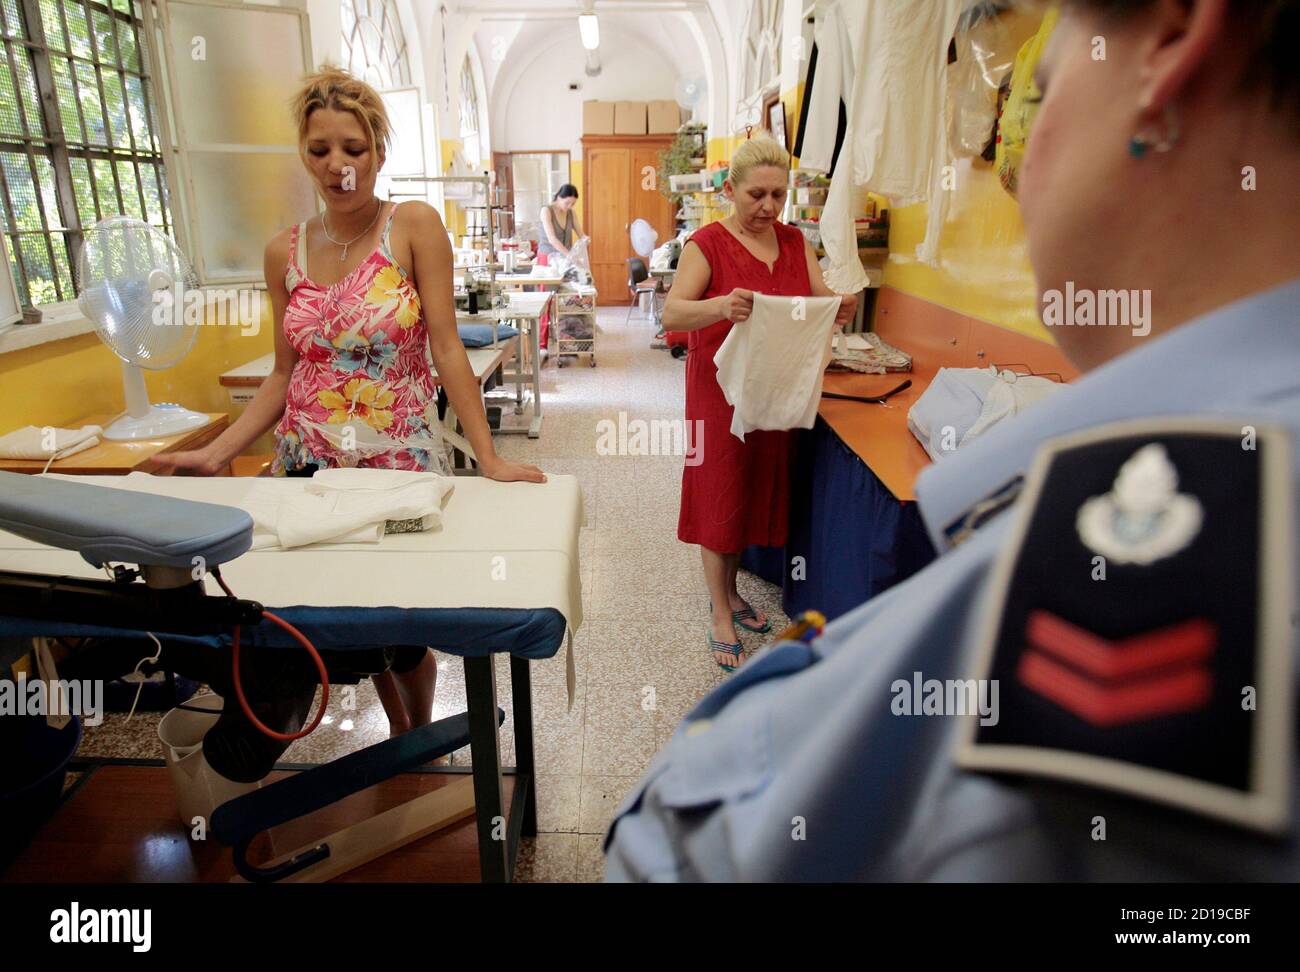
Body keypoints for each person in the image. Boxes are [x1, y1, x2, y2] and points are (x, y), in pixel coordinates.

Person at [605, 0, 1300, 880]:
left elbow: (675, 852)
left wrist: (804, 682)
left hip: (777, 401)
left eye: (1042, 92)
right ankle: (720, 600)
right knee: (723, 498)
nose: (1017, 163)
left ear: (1171, 43)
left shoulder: (1117, 542)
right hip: (728, 390)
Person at [155, 66, 546, 737]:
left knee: (402, 618)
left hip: (398, 460)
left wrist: (488, 459)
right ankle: (392, 735)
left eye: (353, 149)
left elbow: (448, 350)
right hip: (307, 464)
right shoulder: (284, 250)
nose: (338, 165)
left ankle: (412, 734)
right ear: (304, 158)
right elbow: (282, 374)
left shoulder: (413, 226)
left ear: (379, 153)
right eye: (320, 150)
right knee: (320, 613)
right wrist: (215, 452)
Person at [661, 135, 857, 672]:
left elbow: (817, 300)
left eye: (778, 195)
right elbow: (673, 316)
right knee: (721, 491)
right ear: (730, 190)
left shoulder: (794, 243)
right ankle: (720, 611)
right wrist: (721, 304)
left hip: (773, 385)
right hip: (719, 392)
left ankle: (730, 593)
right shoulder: (707, 245)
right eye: (756, 195)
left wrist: (838, 309)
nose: (768, 207)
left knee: (753, 492)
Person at [537, 183, 584, 262]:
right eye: (567, 203)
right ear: (558, 197)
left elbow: (581, 234)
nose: (569, 206)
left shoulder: (571, 213)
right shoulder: (546, 211)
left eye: (573, 204)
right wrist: (569, 255)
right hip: (547, 257)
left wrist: (585, 240)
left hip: (564, 258)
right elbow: (552, 239)